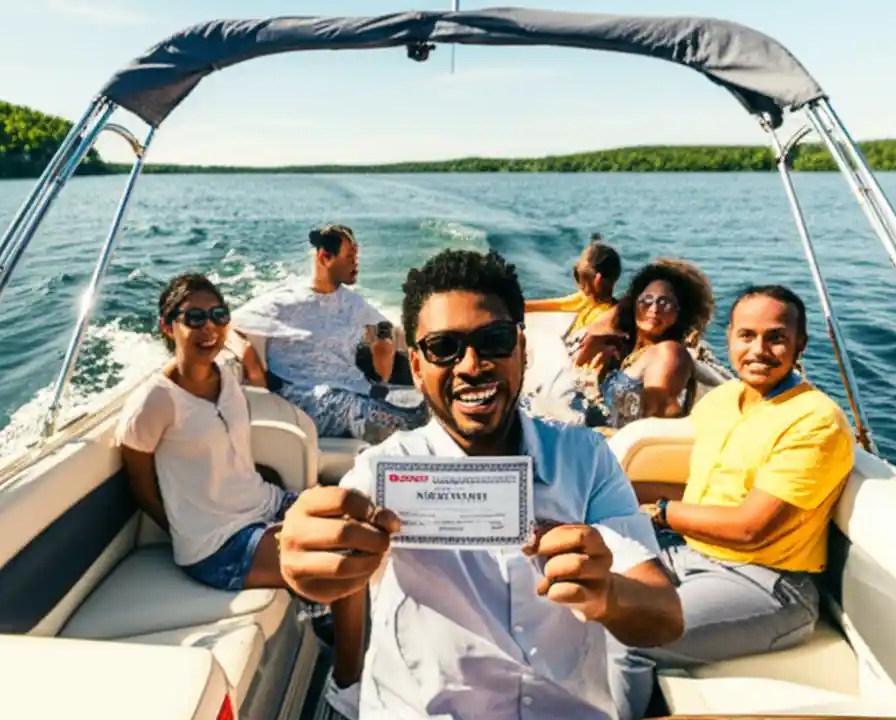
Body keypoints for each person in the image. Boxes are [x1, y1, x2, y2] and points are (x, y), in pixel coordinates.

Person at [276, 249, 684, 719]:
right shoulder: (379, 471)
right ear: (418, 365)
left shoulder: (586, 459)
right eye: (443, 348)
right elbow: (317, 562)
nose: (471, 365)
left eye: (493, 340)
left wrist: (608, 593)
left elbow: (664, 616)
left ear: (523, 350)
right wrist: (303, 561)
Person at [115, 273, 364, 716]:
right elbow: (140, 487)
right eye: (194, 317)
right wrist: (186, 532)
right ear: (167, 326)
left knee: (357, 509)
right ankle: (348, 689)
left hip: (265, 504)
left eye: (218, 315)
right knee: (344, 567)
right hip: (218, 543)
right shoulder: (155, 401)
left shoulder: (226, 373)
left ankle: (330, 620)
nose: (209, 327)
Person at [610, 284, 856, 718]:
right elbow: (707, 492)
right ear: (728, 339)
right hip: (692, 556)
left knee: (628, 635)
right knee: (582, 595)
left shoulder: (816, 421)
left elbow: (750, 526)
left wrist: (659, 511)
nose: (759, 349)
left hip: (769, 586)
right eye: (746, 335)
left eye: (776, 337)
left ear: (800, 344)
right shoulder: (724, 400)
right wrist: (614, 490)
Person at [232, 224, 427, 441]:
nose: (357, 262)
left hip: (355, 392)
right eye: (350, 255)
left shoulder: (355, 304)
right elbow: (226, 326)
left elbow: (385, 329)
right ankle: (404, 426)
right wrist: (250, 355)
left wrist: (383, 352)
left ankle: (409, 426)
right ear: (325, 257)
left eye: (357, 254)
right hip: (302, 398)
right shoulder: (283, 302)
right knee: (343, 403)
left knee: (408, 403)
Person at [579, 258, 715, 426]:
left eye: (665, 303)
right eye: (647, 300)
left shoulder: (668, 354)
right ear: (634, 303)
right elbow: (594, 329)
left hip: (618, 446)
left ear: (680, 312)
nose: (654, 309)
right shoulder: (626, 350)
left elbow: (655, 429)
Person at [525, 234, 621, 343]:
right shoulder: (586, 300)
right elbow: (554, 304)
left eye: (578, 275)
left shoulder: (599, 316)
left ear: (596, 281)